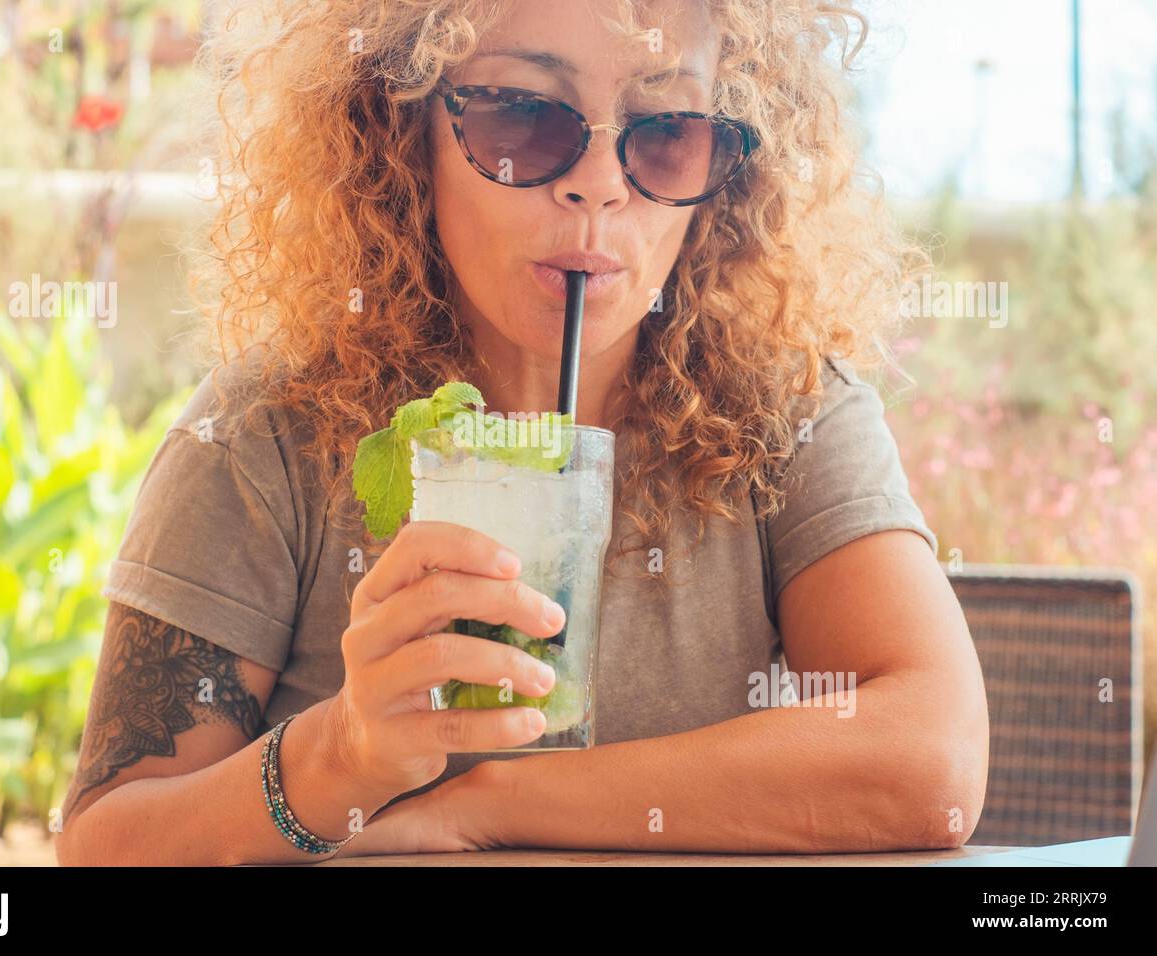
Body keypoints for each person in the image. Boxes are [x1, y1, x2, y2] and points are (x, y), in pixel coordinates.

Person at [53, 0, 989, 865]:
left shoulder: (782, 415)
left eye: (666, 133)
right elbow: (107, 844)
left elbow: (931, 756)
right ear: (398, 125)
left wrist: (494, 801)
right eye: (523, 115)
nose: (595, 188)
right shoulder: (269, 432)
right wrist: (345, 752)